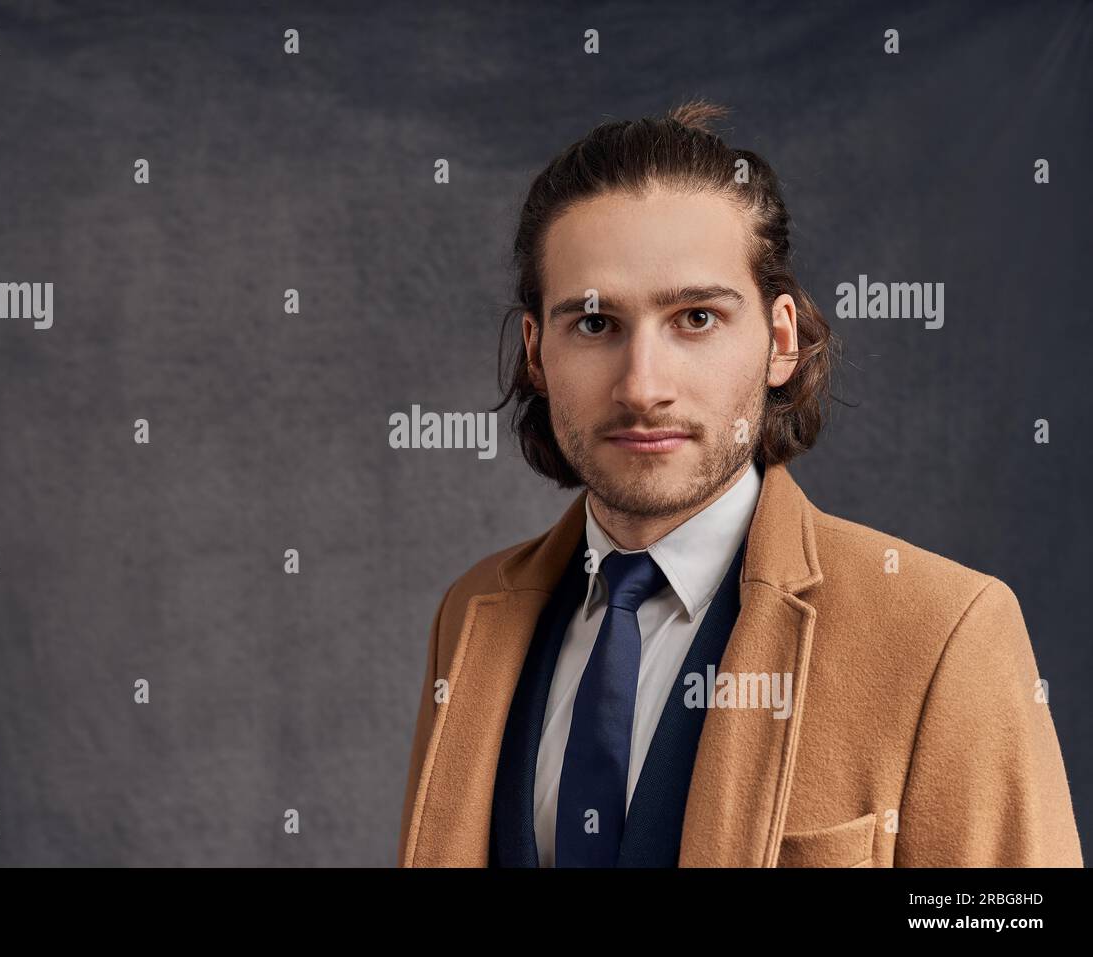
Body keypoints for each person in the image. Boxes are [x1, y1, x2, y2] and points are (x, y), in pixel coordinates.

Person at [396, 100, 1083, 868]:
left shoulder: (946, 631)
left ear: (780, 340)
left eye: (695, 317)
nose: (642, 386)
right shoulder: (470, 615)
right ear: (536, 351)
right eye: (594, 324)